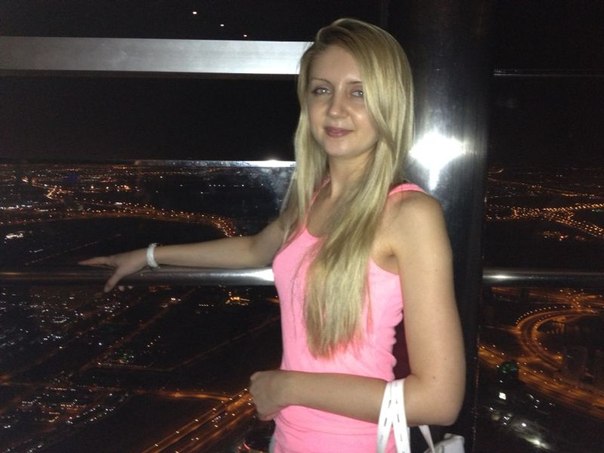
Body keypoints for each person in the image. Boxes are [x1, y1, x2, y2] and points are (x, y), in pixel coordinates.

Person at [80, 18, 465, 453]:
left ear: (390, 102)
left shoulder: (409, 214)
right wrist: (149, 255)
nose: (336, 109)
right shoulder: (316, 197)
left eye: (358, 92)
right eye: (322, 90)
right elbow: (253, 248)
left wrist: (288, 387)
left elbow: (439, 400)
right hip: (290, 436)